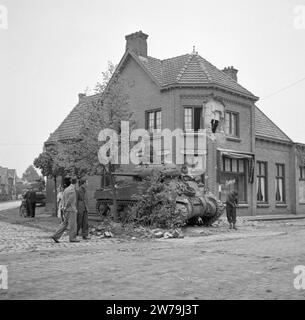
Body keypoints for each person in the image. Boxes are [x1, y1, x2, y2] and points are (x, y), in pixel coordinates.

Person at [51, 177, 79, 243]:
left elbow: (63, 199)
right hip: (71, 209)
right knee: (73, 224)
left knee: (64, 223)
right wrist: (66, 206)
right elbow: (70, 200)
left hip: (65, 210)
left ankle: (56, 235)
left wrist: (63, 207)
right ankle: (72, 238)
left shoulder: (66, 189)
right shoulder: (72, 190)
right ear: (76, 183)